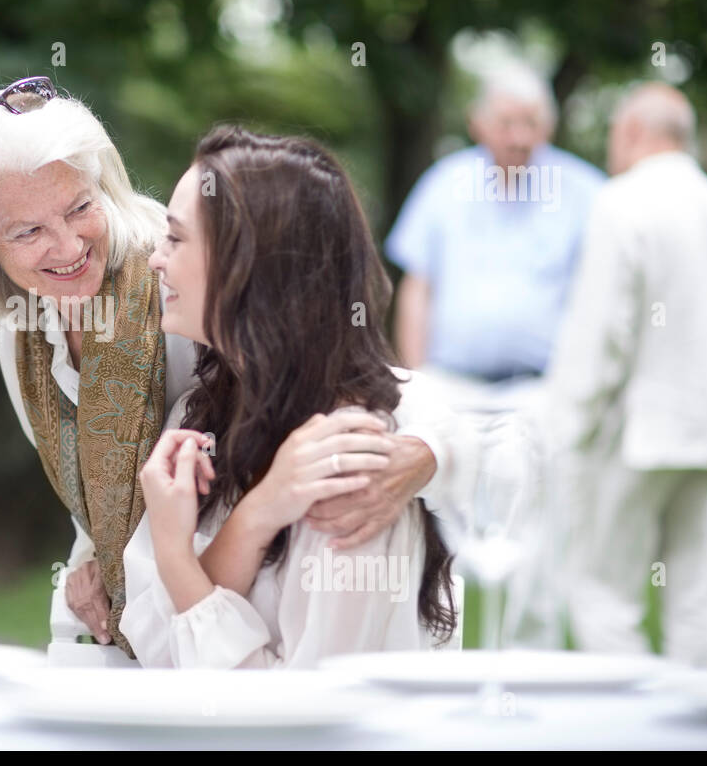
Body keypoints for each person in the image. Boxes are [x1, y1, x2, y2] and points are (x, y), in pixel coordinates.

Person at [0, 79, 454, 656]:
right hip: (165, 633)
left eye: (79, 207)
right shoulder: (21, 333)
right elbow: (99, 502)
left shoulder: (179, 290)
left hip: (217, 639)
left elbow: (351, 374)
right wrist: (91, 559)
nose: (69, 244)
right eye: (28, 232)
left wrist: (427, 450)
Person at [123, 126, 459, 668]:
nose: (155, 260)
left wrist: (175, 557)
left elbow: (302, 717)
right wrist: (254, 516)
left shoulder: (351, 470)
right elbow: (158, 653)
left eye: (177, 239)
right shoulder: (199, 414)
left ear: (248, 267)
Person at [548, 83, 707, 666]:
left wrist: (568, 426)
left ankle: (628, 743)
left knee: (602, 594)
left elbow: (601, 333)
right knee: (698, 598)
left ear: (635, 133)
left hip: (632, 433)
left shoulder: (624, 201)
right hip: (703, 434)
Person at [387, 65, 605, 409]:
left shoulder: (587, 192)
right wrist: (419, 382)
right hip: (448, 387)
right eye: (506, 124)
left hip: (545, 393)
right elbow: (417, 288)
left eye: (530, 124)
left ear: (549, 126)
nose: (518, 138)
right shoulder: (442, 184)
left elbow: (602, 291)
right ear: (479, 124)